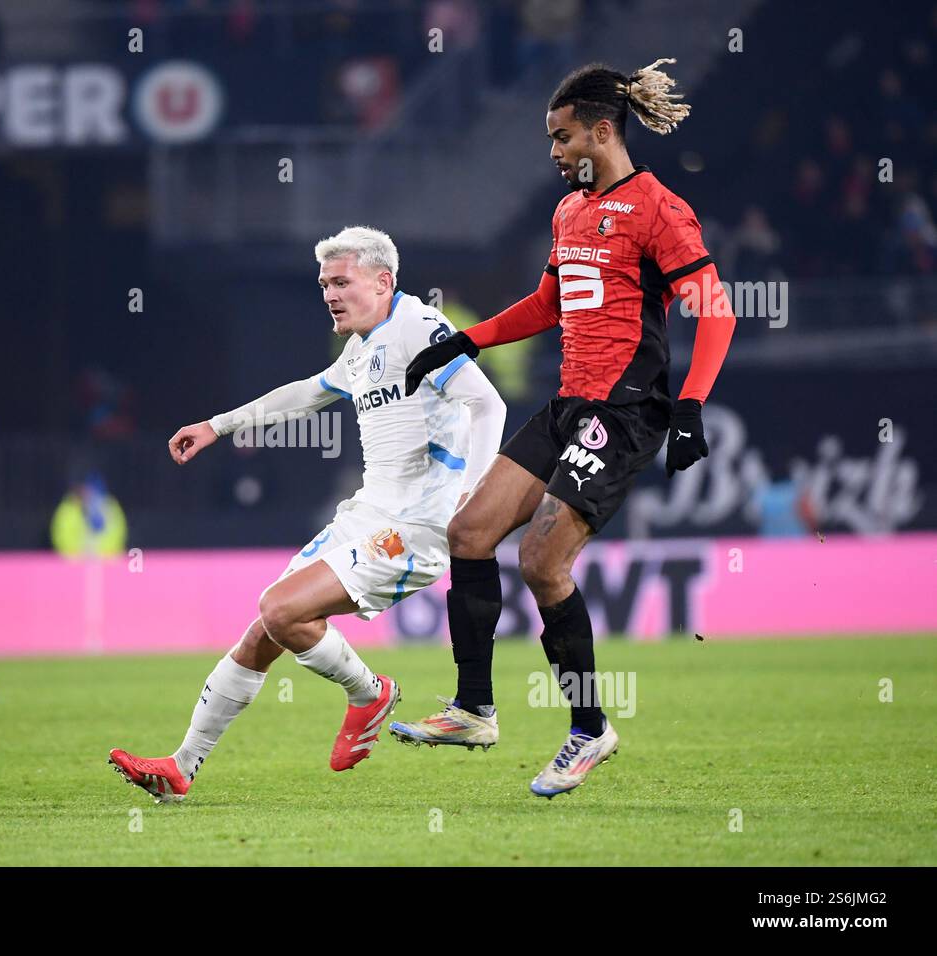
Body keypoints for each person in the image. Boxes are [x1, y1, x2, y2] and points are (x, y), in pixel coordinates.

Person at [393, 59, 736, 798]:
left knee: (544, 561)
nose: (552, 152)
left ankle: (589, 729)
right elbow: (550, 303)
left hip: (625, 411)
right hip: (566, 406)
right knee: (470, 532)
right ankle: (474, 709)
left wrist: (691, 407)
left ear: (602, 131)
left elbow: (718, 308)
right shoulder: (571, 211)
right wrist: (467, 339)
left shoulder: (659, 210)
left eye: (561, 136)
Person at [108, 226, 507, 802]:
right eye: (324, 284)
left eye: (341, 281)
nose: (330, 294)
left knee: (280, 608)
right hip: (367, 516)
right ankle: (180, 767)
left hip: (413, 529)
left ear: (382, 280)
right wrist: (216, 426)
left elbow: (486, 403)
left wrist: (474, 493)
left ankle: (370, 693)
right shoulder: (363, 345)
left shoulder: (416, 327)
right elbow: (304, 394)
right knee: (265, 631)